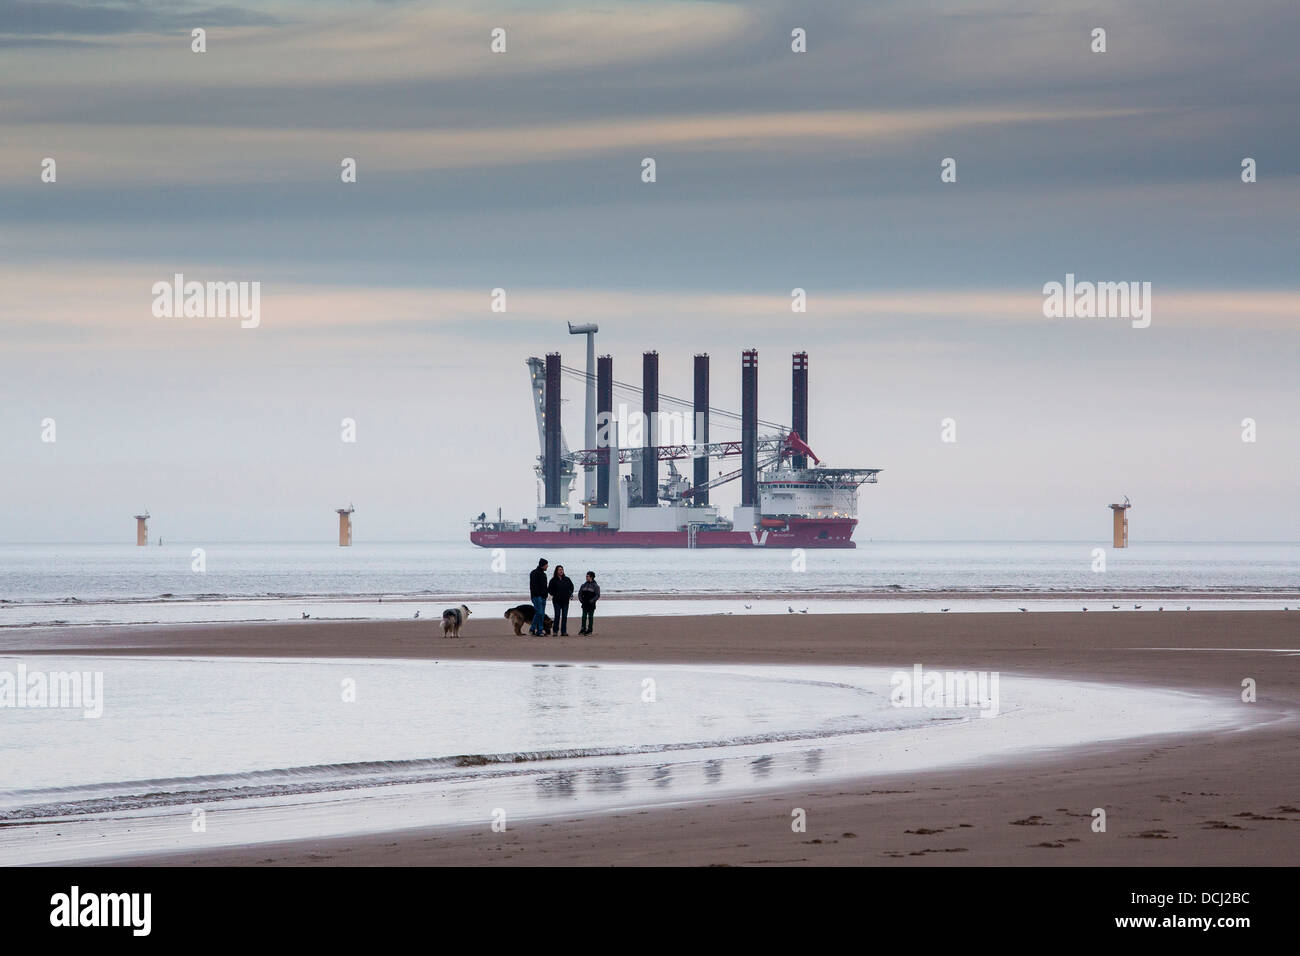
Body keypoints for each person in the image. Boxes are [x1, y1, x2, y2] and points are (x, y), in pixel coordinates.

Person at [548, 564, 574, 636]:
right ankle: (555, 631)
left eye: (562, 569)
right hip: (556, 601)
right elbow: (549, 589)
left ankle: (564, 631)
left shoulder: (567, 579)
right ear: (556, 571)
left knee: (564, 616)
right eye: (559, 569)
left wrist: (569, 594)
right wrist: (554, 594)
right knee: (557, 616)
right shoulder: (553, 580)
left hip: (565, 601)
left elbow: (571, 587)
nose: (561, 571)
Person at [528, 558, 549, 636]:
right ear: (543, 565)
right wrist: (537, 595)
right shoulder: (534, 573)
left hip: (543, 597)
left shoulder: (544, 574)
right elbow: (533, 586)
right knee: (539, 613)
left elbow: (545, 586)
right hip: (537, 597)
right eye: (546, 565)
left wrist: (546, 594)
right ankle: (539, 630)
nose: (547, 566)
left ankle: (534, 629)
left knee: (541, 614)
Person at [578, 571, 600, 636]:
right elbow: (580, 593)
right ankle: (583, 629)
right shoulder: (583, 585)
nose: (586, 577)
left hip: (591, 604)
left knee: (590, 617)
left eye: (587, 576)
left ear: (591, 577)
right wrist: (581, 600)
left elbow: (597, 595)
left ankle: (590, 630)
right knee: (584, 617)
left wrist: (592, 601)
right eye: (586, 576)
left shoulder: (596, 586)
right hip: (584, 603)